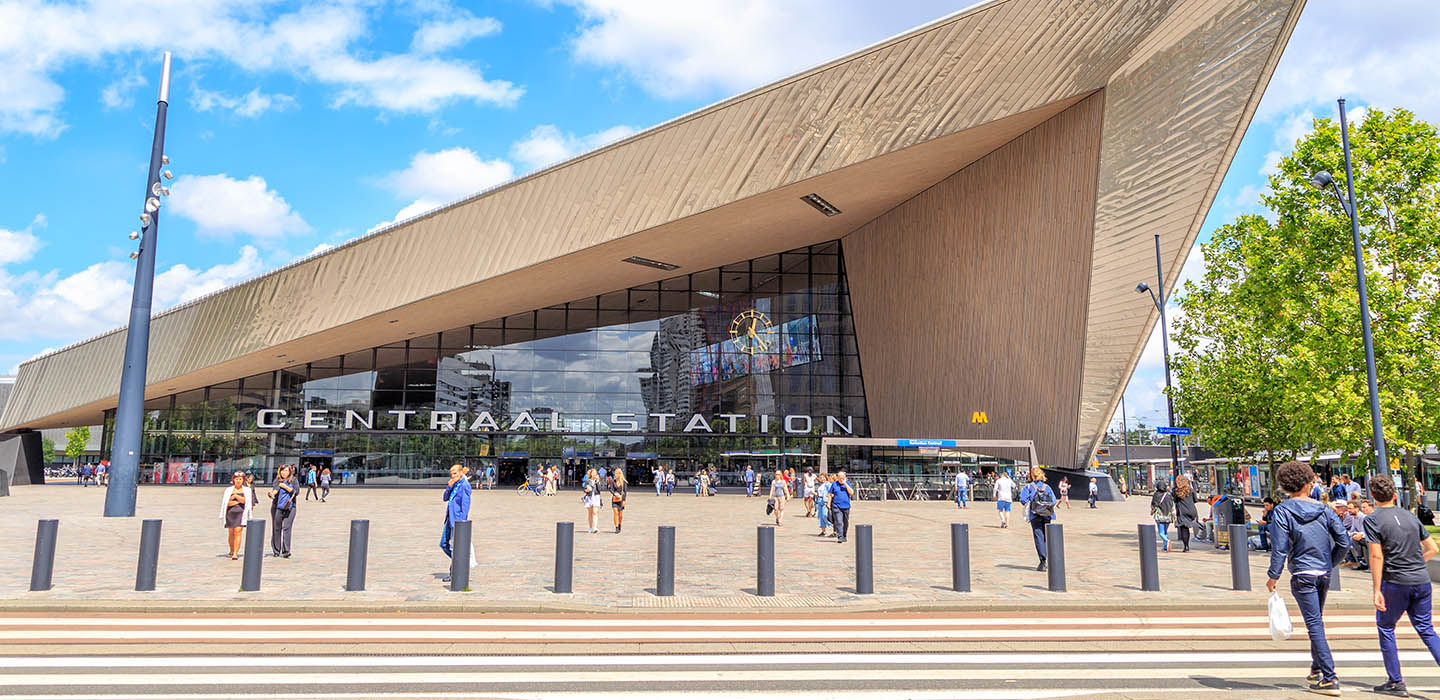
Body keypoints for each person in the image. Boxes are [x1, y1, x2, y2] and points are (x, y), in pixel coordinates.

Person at [1266, 460, 1349, 697]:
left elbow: (1279, 548)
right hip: (1323, 572)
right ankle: (1316, 670)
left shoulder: (1282, 511)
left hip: (1302, 573)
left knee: (1314, 625)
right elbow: (1343, 540)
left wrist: (1273, 576)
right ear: (1309, 482)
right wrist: (1330, 563)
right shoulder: (1324, 510)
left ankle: (1330, 677)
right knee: (1316, 622)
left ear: (1285, 485)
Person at [1364, 475, 1440, 697]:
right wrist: (1417, 563)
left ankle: (1396, 681)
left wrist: (1377, 589)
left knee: (1386, 627)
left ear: (1372, 496)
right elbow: (1432, 548)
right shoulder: (1409, 516)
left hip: (1396, 581)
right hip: (1421, 580)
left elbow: (1376, 555)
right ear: (1395, 494)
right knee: (1426, 629)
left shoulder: (1372, 519)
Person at [1018, 467, 1058, 571]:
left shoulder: (1028, 487)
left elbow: (1023, 500)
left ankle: (1043, 561)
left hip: (1035, 514)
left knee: (1038, 536)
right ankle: (1051, 559)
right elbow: (1053, 501)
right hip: (1047, 514)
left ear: (1032, 475)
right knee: (1047, 537)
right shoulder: (1047, 487)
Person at [439, 465, 472, 577]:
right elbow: (445, 498)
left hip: (457, 520)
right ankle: (461, 562)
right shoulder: (455, 484)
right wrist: (449, 487)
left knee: (454, 547)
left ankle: (454, 572)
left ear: (461, 473)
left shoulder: (465, 485)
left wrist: (461, 523)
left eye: (455, 474)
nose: (452, 476)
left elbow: (465, 505)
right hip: (449, 518)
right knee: (443, 544)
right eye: (451, 474)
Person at [219, 471, 253, 560]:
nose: (238, 481)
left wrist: (237, 497)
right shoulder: (229, 490)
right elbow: (226, 502)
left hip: (241, 513)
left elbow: (246, 501)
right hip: (230, 513)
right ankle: (231, 549)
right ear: (233, 480)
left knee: (238, 531)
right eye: (236, 479)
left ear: (243, 480)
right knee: (231, 532)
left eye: (240, 479)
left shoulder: (247, 490)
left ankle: (235, 553)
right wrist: (235, 500)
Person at [269, 465, 298, 558]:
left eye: (286, 471)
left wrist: (286, 487)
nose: (283, 473)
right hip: (277, 507)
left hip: (290, 507)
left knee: (286, 527)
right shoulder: (277, 480)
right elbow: (275, 490)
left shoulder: (294, 480)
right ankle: (276, 550)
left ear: (290, 471)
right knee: (276, 528)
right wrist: (271, 494)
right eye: (282, 471)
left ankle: (286, 550)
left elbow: (296, 492)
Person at [1173, 475, 1199, 553]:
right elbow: (1195, 500)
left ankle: (1186, 546)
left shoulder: (1176, 491)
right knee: (1190, 524)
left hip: (1182, 511)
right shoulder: (1191, 490)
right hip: (1192, 510)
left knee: (1184, 529)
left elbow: (1174, 500)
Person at [827, 470, 855, 543]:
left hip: (846, 506)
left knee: (845, 522)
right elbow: (830, 494)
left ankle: (844, 535)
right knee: (838, 521)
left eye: (842, 478)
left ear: (845, 478)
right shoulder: (834, 484)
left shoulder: (848, 483)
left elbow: (852, 493)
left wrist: (845, 484)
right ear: (837, 477)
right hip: (836, 505)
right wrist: (828, 504)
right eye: (840, 478)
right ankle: (840, 536)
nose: (841, 479)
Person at [1150, 480, 1174, 553]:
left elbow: (1153, 505)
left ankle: (1167, 541)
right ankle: (1165, 547)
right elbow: (1172, 505)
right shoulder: (1168, 495)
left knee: (1161, 532)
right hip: (1168, 516)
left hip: (1160, 516)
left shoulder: (1156, 495)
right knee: (1165, 532)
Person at [582, 467, 602, 534]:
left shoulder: (597, 481)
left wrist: (597, 482)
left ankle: (595, 527)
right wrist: (586, 490)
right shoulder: (588, 481)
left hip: (596, 497)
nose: (594, 474)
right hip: (590, 497)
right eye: (593, 473)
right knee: (590, 513)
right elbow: (584, 489)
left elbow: (599, 490)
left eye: (595, 473)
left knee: (595, 512)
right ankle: (590, 527)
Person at [610, 469, 628, 533]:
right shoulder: (613, 481)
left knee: (620, 515)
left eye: (617, 473)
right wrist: (614, 494)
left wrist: (624, 500)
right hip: (614, 499)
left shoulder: (624, 482)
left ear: (620, 474)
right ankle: (616, 527)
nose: (615, 475)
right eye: (615, 473)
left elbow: (625, 492)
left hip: (621, 500)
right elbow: (611, 489)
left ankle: (619, 524)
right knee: (615, 512)